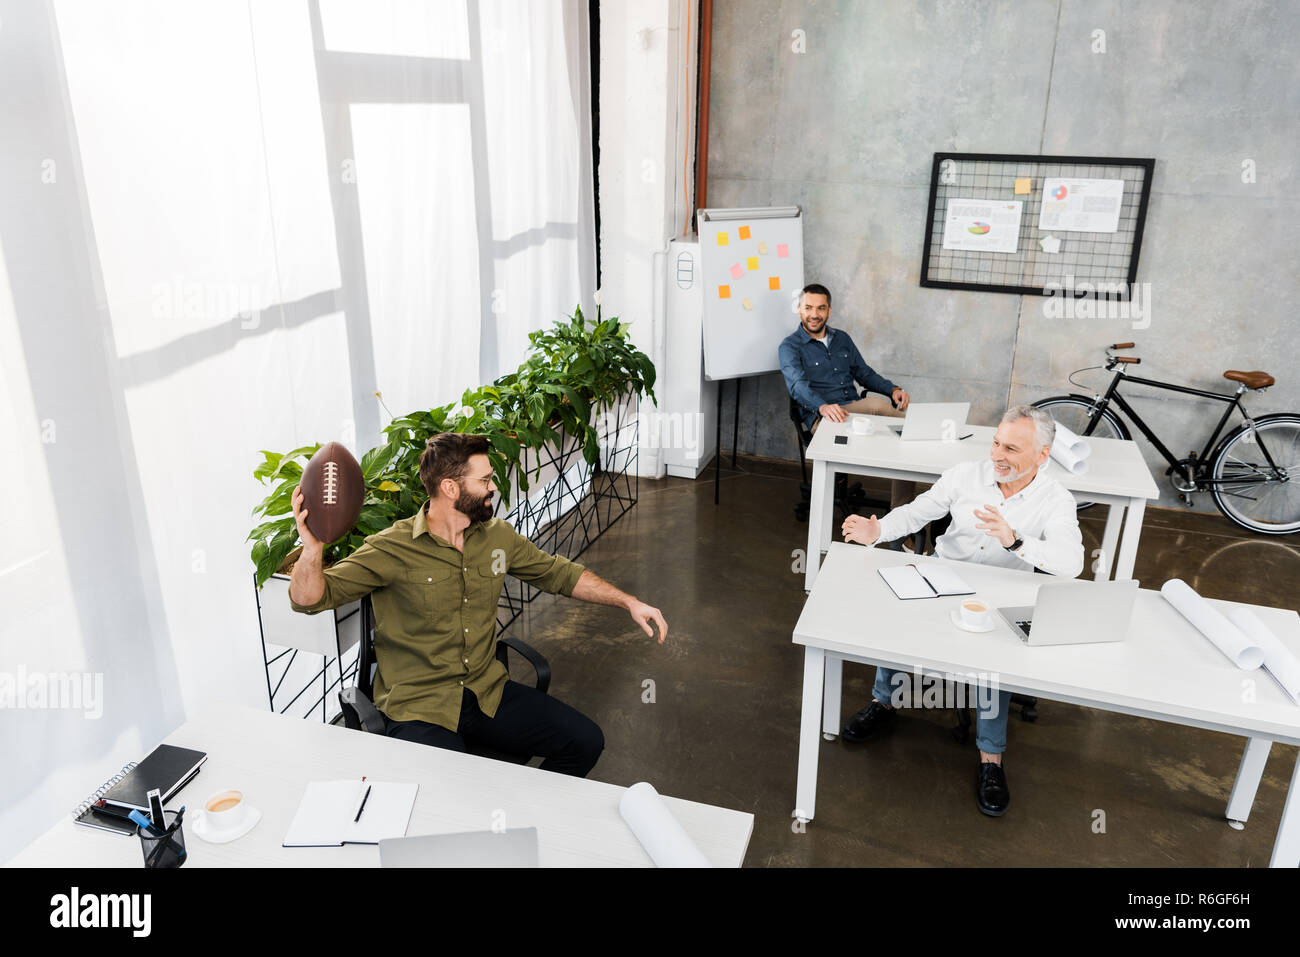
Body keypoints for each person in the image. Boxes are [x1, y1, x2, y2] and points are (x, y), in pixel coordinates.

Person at [288, 432, 668, 778]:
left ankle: (527, 817)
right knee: (461, 794)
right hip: (420, 706)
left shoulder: (496, 537)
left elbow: (558, 574)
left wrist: (628, 601)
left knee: (585, 741)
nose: (492, 488)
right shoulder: (391, 548)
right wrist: (313, 548)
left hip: (486, 692)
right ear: (451, 487)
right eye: (484, 481)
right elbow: (309, 600)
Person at [838, 405, 1084, 817]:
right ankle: (884, 701)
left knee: (997, 658)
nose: (997, 454)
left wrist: (1016, 541)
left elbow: (1072, 562)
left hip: (1003, 593)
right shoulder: (966, 475)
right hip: (945, 576)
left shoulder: (1056, 499)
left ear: (1042, 455)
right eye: (995, 442)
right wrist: (878, 530)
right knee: (900, 619)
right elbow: (921, 510)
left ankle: (991, 759)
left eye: (1011, 448)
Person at [778, 283, 914, 507]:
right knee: (880, 408)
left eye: (821, 308)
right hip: (823, 417)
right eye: (808, 308)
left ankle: (902, 515)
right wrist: (822, 406)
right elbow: (798, 386)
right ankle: (921, 428)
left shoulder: (842, 339)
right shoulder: (790, 347)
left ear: (829, 311)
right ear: (799, 309)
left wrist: (893, 389)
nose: (814, 314)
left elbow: (864, 373)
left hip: (855, 409)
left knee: (905, 441)